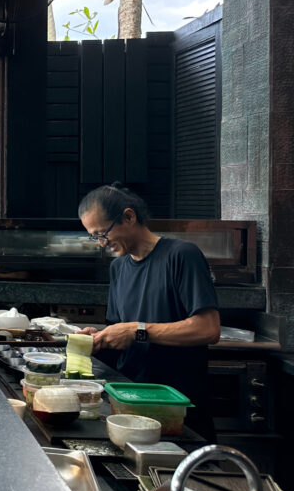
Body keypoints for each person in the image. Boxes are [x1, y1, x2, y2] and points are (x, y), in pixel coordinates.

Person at [77, 183, 220, 439]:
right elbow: (123, 332)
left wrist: (137, 330)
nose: (101, 243)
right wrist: (100, 337)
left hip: (176, 409)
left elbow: (208, 328)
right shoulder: (119, 268)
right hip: (129, 401)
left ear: (129, 217)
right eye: (94, 237)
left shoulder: (181, 255)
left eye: (103, 233)